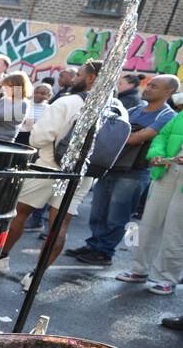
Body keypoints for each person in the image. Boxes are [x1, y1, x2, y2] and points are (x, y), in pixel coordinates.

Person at [0, 61, 103, 288]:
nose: (75, 79)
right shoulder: (116, 108)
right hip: (83, 173)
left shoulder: (68, 102)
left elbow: (38, 139)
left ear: (92, 78)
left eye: (80, 75)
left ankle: (1, 259)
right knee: (60, 225)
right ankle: (36, 276)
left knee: (19, 213)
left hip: (47, 166)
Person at [71, 74, 180, 266]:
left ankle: (104, 252)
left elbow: (135, 138)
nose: (147, 88)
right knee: (98, 212)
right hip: (110, 166)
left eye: (154, 86)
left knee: (117, 216)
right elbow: (109, 129)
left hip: (134, 171)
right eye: (148, 84)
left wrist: (117, 133)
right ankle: (94, 245)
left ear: (168, 91)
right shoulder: (135, 109)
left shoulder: (167, 115)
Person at [115, 109, 183, 295]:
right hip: (165, 172)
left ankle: (167, 278)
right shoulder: (181, 115)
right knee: (149, 224)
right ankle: (139, 270)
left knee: (176, 231)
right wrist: (156, 154)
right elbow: (162, 137)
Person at [19, 81, 53, 147]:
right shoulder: (25, 103)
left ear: (48, 96)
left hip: (35, 138)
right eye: (36, 92)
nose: (38, 95)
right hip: (20, 135)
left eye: (43, 93)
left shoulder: (49, 108)